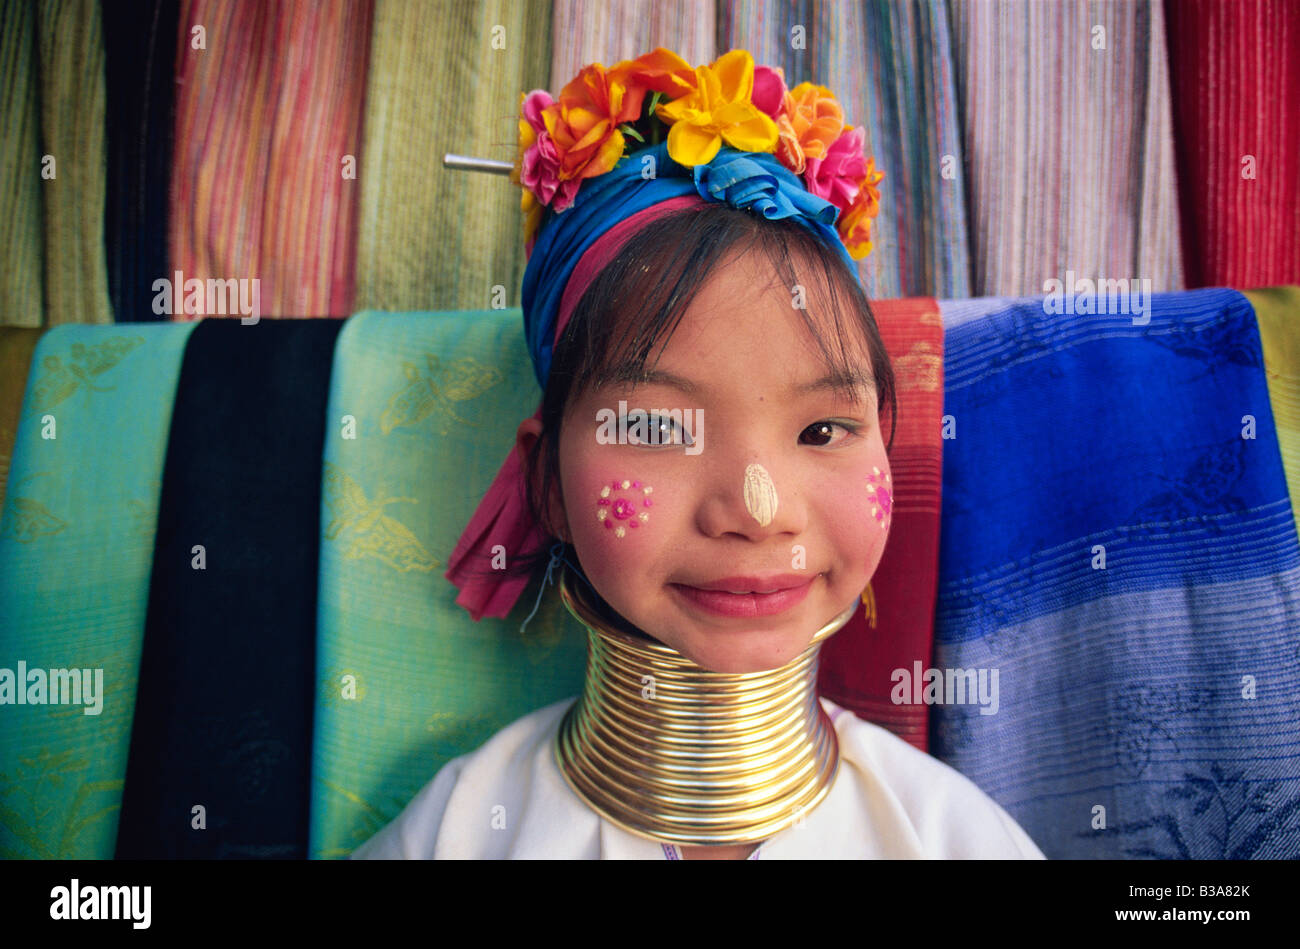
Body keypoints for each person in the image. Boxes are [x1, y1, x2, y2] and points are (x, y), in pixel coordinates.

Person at [351, 47, 1044, 860]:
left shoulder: (951, 839)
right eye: (655, 430)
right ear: (546, 483)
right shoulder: (459, 834)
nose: (757, 510)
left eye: (822, 431)